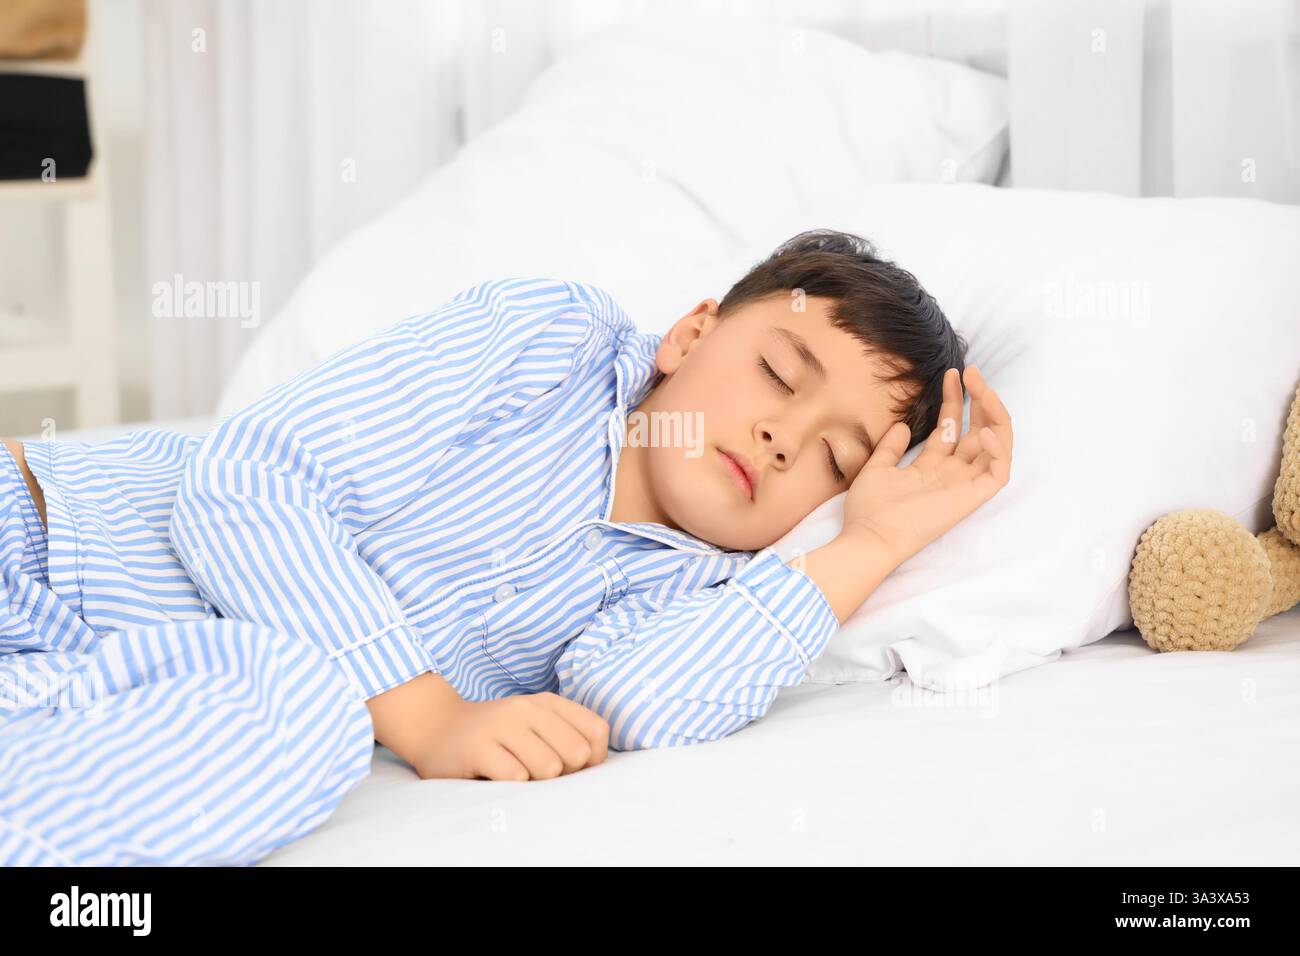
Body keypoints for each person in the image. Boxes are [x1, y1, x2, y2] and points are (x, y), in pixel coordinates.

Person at [0, 229, 1012, 865]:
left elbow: (638, 702)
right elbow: (248, 480)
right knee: (331, 705)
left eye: (831, 458)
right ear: (691, 334)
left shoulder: (702, 586)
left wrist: (871, 540)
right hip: (38, 533)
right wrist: (428, 713)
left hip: (99, 692)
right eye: (780, 378)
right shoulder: (549, 343)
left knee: (309, 719)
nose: (784, 438)